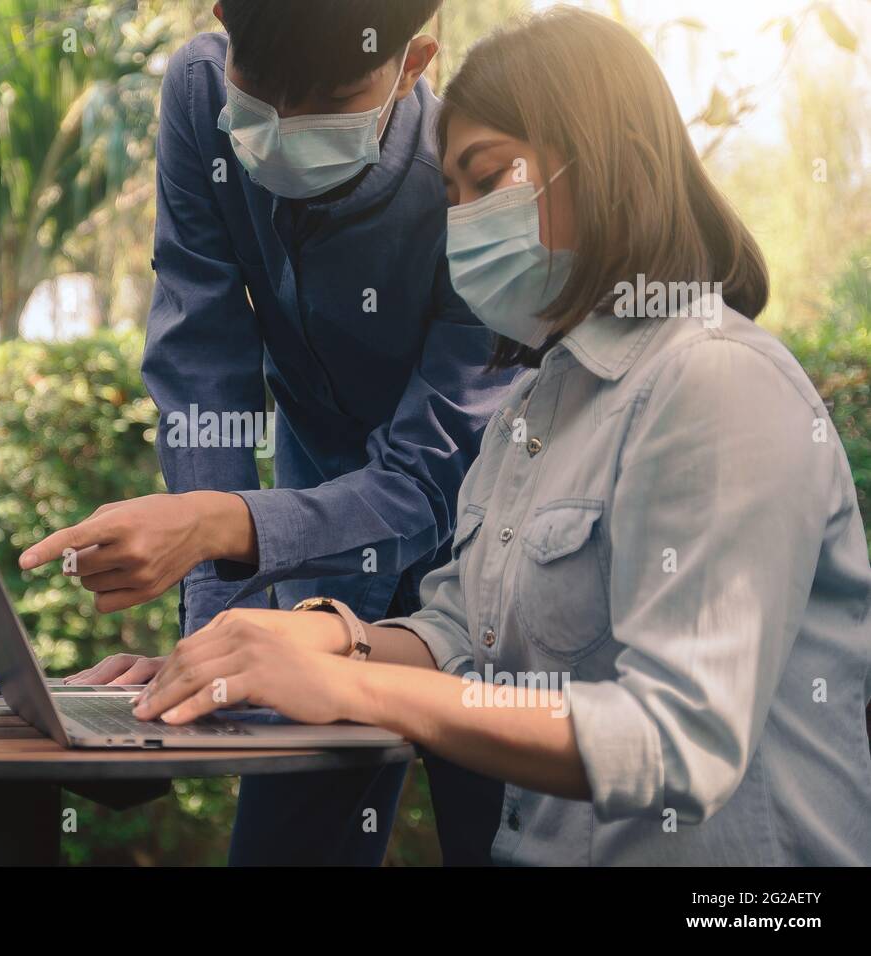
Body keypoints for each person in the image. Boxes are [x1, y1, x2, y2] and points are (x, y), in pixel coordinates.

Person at [130, 6, 871, 865]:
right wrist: (276, 642)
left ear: (610, 163)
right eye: (449, 195)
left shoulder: (717, 382)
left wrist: (348, 681)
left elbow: (678, 741)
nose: (461, 226)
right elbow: (457, 638)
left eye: (488, 181)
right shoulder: (532, 414)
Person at [19, 0, 515, 865]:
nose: (284, 126)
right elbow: (201, 362)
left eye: (327, 97)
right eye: (266, 89)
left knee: (506, 836)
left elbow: (429, 478)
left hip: (483, 566)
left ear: (415, 61)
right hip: (298, 561)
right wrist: (214, 631)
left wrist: (222, 525)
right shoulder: (199, 93)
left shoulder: (469, 184)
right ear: (222, 18)